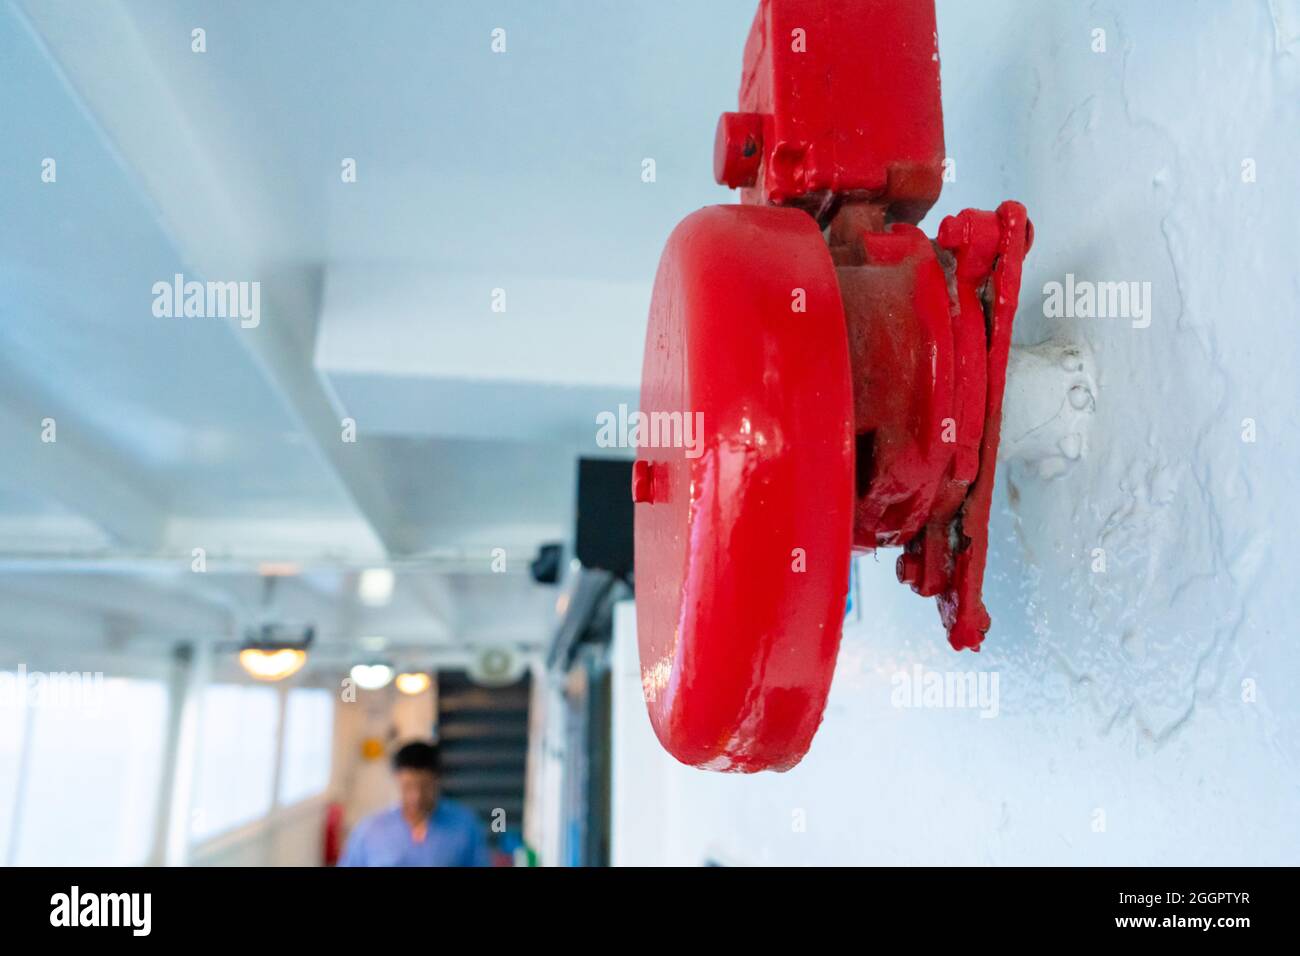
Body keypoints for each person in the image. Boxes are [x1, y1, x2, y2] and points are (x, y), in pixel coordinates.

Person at [339, 740, 491, 867]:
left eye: (425, 786)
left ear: (438, 780)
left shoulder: (465, 826)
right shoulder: (370, 831)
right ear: (396, 780)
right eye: (408, 786)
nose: (416, 797)